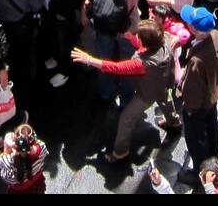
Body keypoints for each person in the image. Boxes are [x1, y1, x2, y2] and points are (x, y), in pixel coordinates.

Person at [71, 19, 177, 163]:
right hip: (162, 83)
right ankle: (174, 121)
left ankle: (120, 151)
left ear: (146, 43)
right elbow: (164, 43)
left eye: (138, 36)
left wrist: (89, 59)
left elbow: (116, 67)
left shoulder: (142, 63)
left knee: (126, 118)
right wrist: (132, 39)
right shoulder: (165, 40)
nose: (136, 36)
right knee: (165, 101)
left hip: (146, 94)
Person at [175, 4, 218, 175]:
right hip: (212, 94)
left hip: (198, 105)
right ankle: (214, 154)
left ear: (194, 29)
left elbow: (192, 91)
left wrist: (189, 108)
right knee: (212, 125)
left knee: (195, 138)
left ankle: (201, 170)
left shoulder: (197, 62)